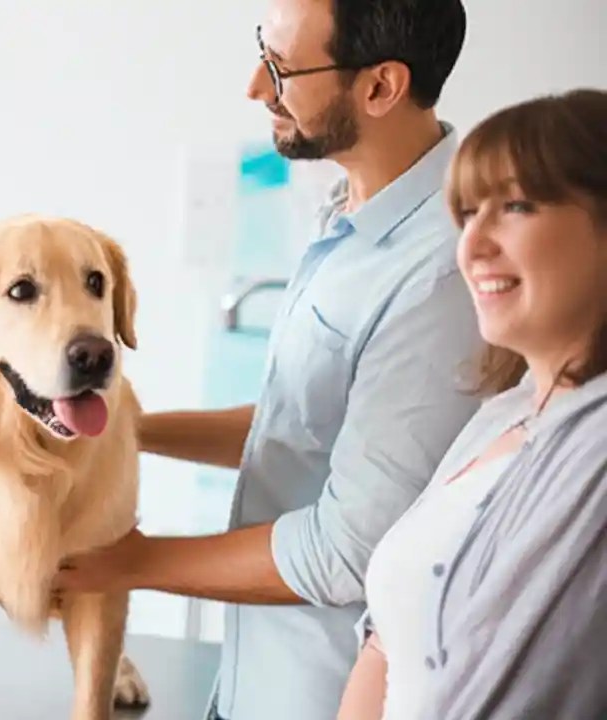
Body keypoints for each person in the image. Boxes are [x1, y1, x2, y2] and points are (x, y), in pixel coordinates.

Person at [54, 1, 480, 718]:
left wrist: (127, 564)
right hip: (250, 683)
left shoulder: (441, 275)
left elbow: (343, 550)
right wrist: (125, 429)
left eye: (281, 67)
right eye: (263, 50)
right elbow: (305, 433)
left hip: (319, 697)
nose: (256, 85)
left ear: (380, 87)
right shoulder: (349, 216)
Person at [337, 88, 607, 720]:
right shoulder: (503, 415)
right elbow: (387, 646)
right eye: (467, 213)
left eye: (515, 205)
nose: (473, 244)